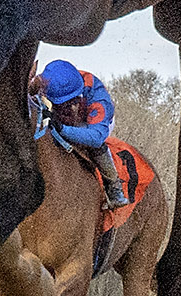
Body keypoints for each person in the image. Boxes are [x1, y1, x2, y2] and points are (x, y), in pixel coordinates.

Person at [28, 59, 128, 208]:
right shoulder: (46, 81)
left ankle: (114, 187)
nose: (61, 108)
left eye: (65, 104)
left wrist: (63, 129)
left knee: (95, 146)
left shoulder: (99, 101)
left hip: (94, 125)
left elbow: (96, 137)